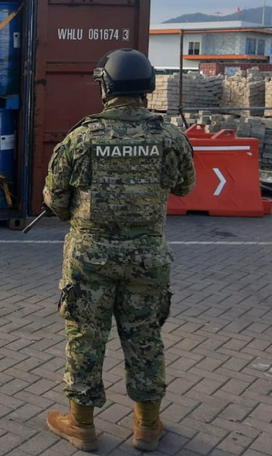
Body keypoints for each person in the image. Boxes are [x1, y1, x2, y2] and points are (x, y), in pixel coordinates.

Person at [43, 48, 196, 452]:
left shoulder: (82, 137)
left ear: (106, 86)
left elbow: (56, 202)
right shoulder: (169, 137)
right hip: (147, 259)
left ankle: (81, 425)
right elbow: (184, 187)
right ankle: (146, 426)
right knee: (145, 338)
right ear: (147, 87)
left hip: (89, 260)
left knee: (85, 339)